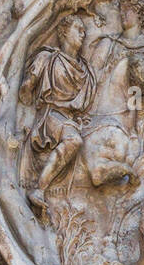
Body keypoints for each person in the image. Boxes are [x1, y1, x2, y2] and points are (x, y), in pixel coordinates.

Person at [19, 13, 99, 212]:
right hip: (51, 116)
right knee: (74, 141)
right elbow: (26, 91)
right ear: (63, 32)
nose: (83, 33)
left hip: (74, 119)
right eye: (78, 29)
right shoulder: (47, 58)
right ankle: (39, 188)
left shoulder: (86, 69)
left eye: (84, 30)